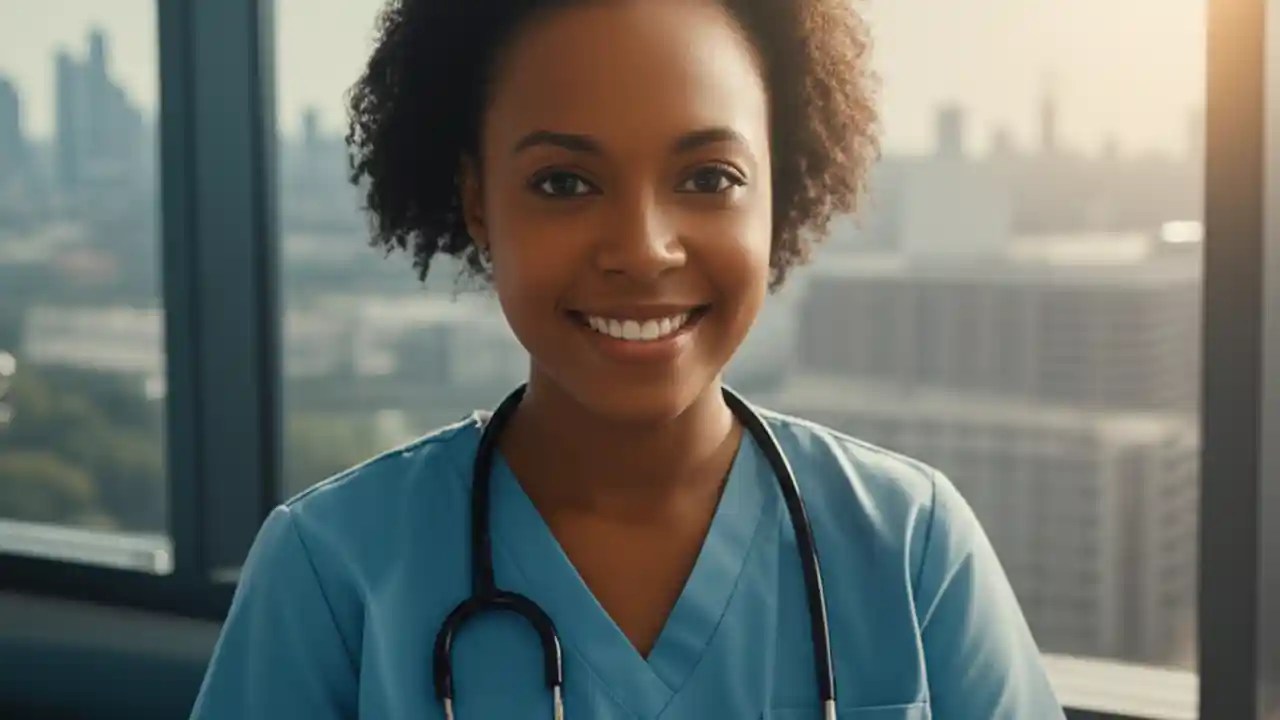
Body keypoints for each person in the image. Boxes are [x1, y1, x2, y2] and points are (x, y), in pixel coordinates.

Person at [191, 0, 1066, 717]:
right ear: (478, 203)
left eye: (709, 178)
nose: (643, 250)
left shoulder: (913, 549)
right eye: (564, 183)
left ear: (780, 190)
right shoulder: (331, 568)